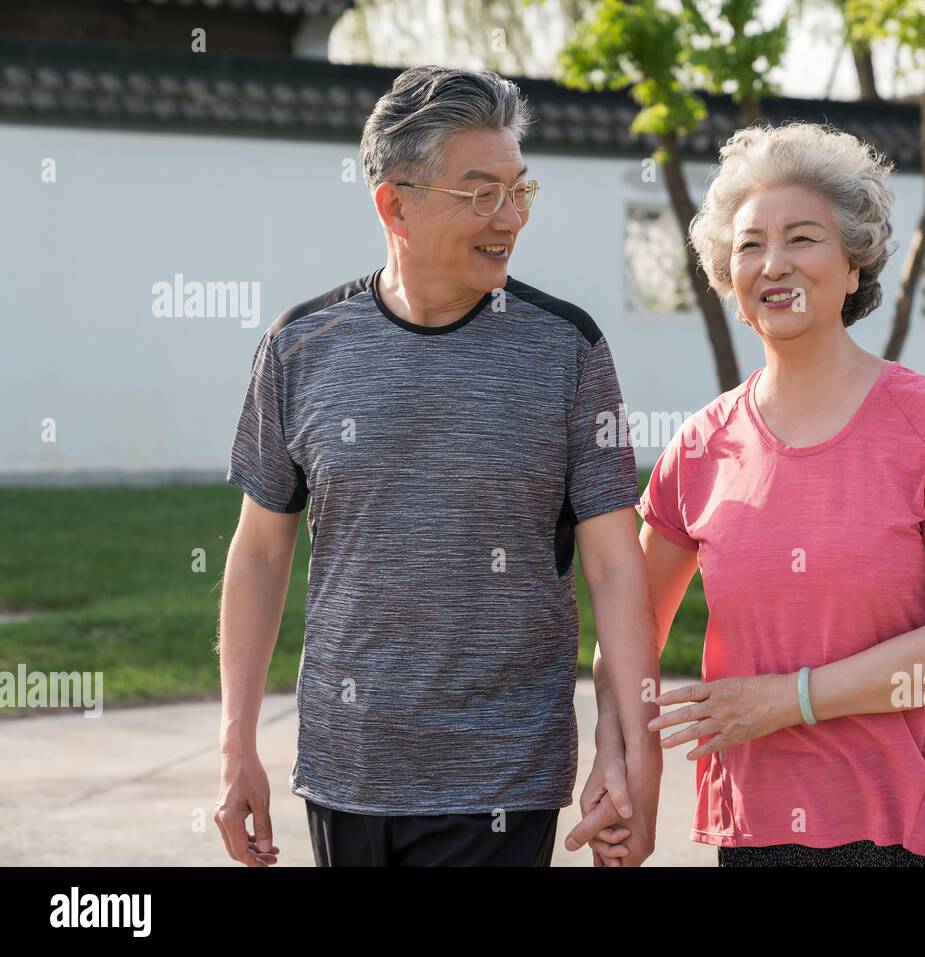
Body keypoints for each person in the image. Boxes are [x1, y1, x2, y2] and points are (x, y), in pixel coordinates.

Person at [214, 66, 662, 867]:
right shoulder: (300, 348)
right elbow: (258, 550)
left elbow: (614, 562)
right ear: (396, 203)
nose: (510, 217)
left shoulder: (566, 350)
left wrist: (627, 748)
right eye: (480, 192)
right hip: (346, 768)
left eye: (520, 189)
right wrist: (235, 743)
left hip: (501, 775)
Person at [630, 121, 925, 866]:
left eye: (803, 238)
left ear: (851, 267)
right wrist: (628, 774)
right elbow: (631, 623)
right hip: (754, 828)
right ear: (729, 280)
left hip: (906, 828)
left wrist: (790, 699)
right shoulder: (701, 445)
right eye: (749, 244)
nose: (774, 263)